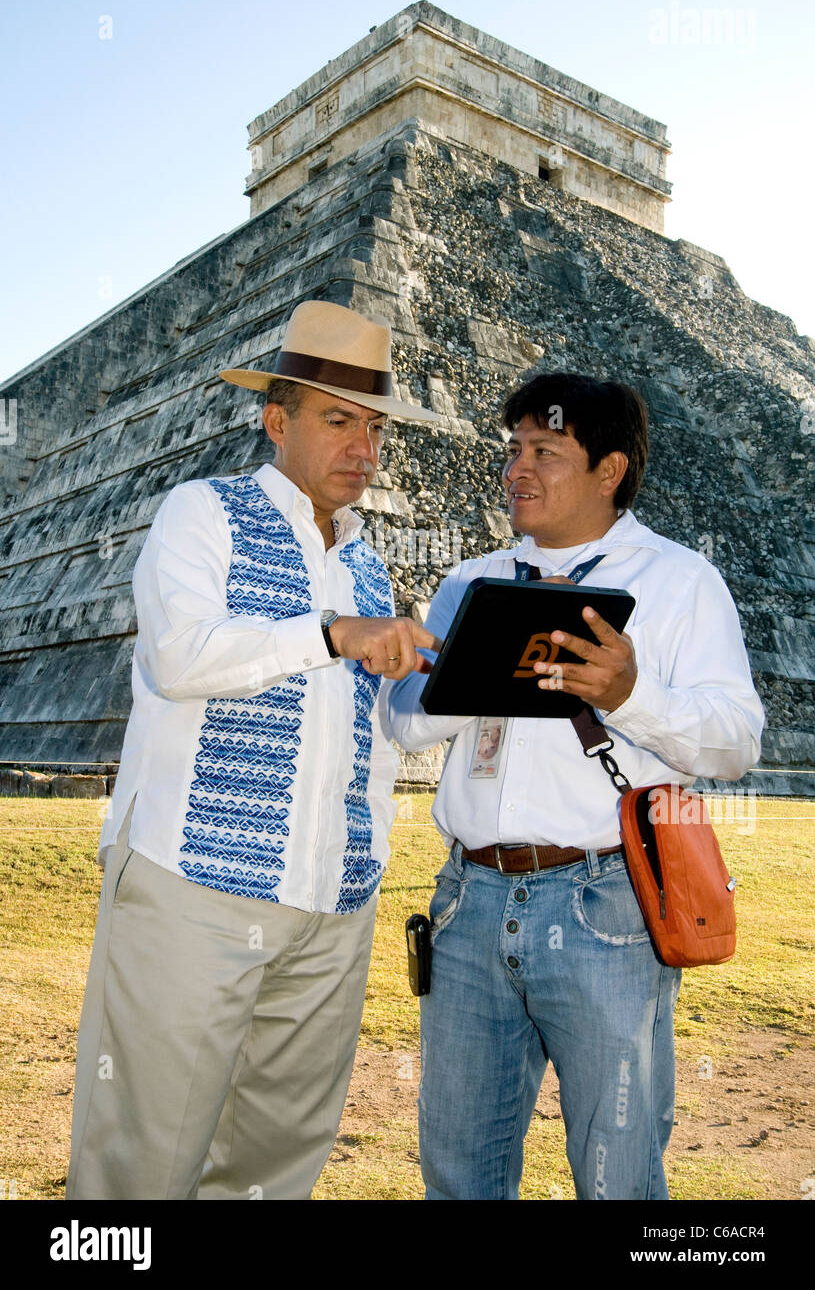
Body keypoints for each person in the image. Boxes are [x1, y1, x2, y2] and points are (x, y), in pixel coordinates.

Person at [67, 300, 440, 1200]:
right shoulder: (202, 513)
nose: (363, 446)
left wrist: (463, 702)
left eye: (375, 427)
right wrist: (329, 634)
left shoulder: (365, 565)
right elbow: (179, 656)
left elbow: (372, 727)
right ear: (277, 421)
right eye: (337, 420)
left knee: (274, 1164)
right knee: (143, 1161)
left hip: (331, 902)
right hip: (195, 883)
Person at [385, 371, 764, 1201]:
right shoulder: (468, 582)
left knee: (617, 1173)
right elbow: (404, 723)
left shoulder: (678, 581)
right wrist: (464, 676)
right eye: (514, 449)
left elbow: (734, 741)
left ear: (609, 470)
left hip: (605, 905)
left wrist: (631, 695)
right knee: (459, 1170)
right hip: (468, 899)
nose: (517, 469)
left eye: (545, 451)